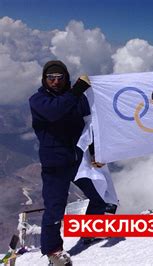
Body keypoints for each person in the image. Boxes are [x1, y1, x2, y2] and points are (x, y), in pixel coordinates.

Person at [29, 60, 108, 265]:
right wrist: (76, 91)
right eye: (51, 78)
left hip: (78, 160)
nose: (55, 81)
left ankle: (90, 232)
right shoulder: (38, 101)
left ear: (66, 79)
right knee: (55, 208)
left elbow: (90, 123)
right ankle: (53, 251)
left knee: (99, 196)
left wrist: (95, 153)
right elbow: (55, 112)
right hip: (55, 164)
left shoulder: (75, 99)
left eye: (59, 78)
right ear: (44, 79)